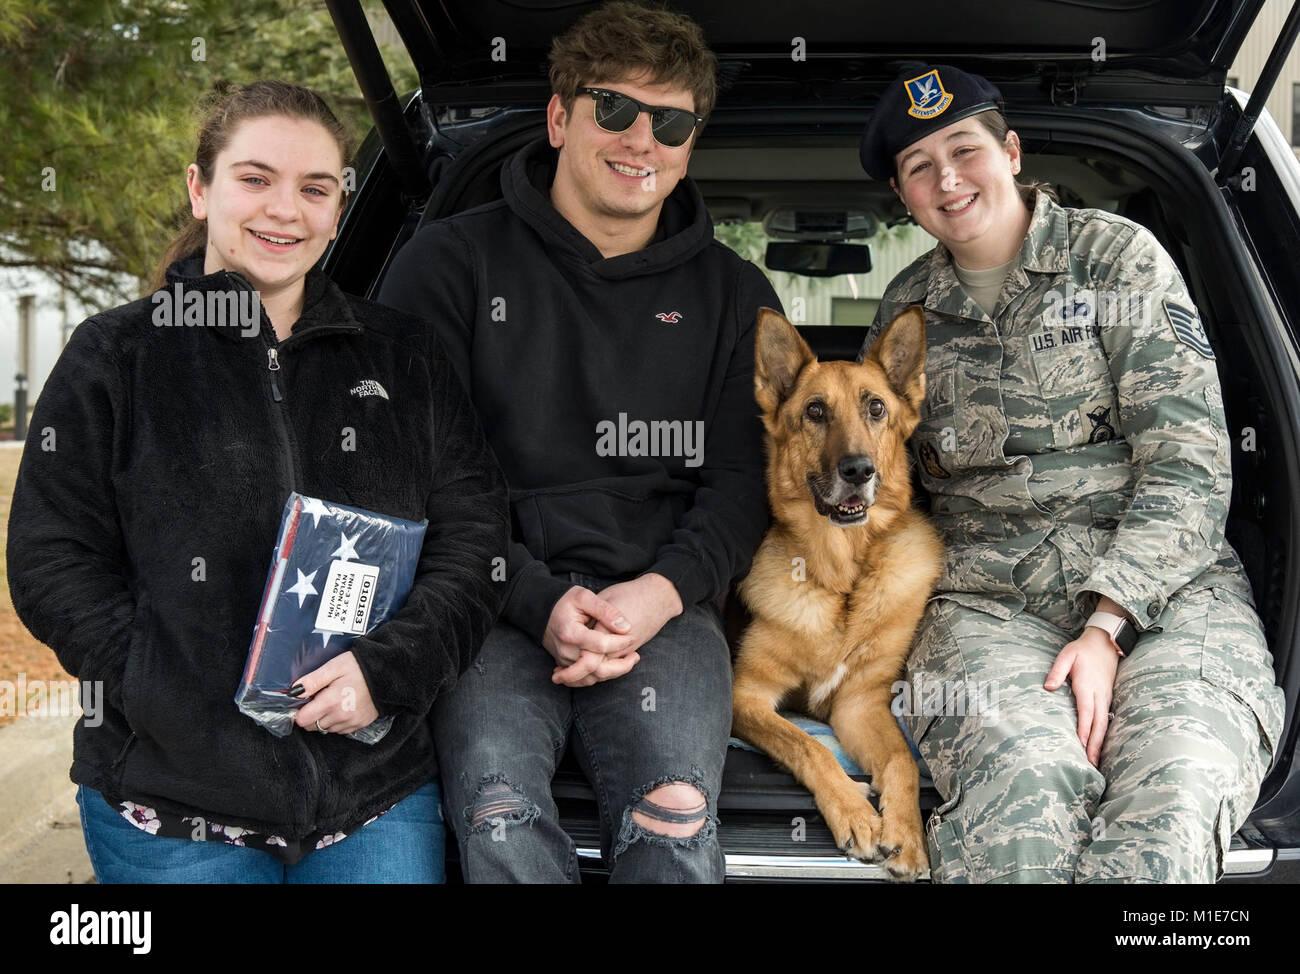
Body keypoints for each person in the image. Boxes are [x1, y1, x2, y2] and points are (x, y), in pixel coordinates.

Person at [7, 80, 510, 883]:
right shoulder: (116, 356)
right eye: (255, 179)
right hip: (171, 809)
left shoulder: (403, 356)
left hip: (373, 801)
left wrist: (389, 673)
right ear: (200, 189)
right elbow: (49, 556)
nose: (285, 210)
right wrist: (160, 684)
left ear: (338, 211)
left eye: (315, 189)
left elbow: (476, 541)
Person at [379, 1, 780, 883]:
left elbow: (745, 485)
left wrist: (661, 594)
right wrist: (532, 598)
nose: (642, 139)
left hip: (663, 608)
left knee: (674, 819)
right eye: (615, 110)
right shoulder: (447, 266)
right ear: (560, 117)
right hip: (486, 598)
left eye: (671, 122)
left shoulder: (735, 295)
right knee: (494, 815)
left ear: (690, 143)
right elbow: (414, 475)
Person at [856, 64, 1286, 883]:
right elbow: (884, 490)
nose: (947, 178)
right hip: (984, 605)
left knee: (1176, 784)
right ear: (904, 197)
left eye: (964, 148)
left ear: (1010, 152)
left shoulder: (1115, 260)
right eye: (919, 166)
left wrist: (1106, 626)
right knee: (1024, 790)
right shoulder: (905, 312)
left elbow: (1190, 462)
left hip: (1167, 592)